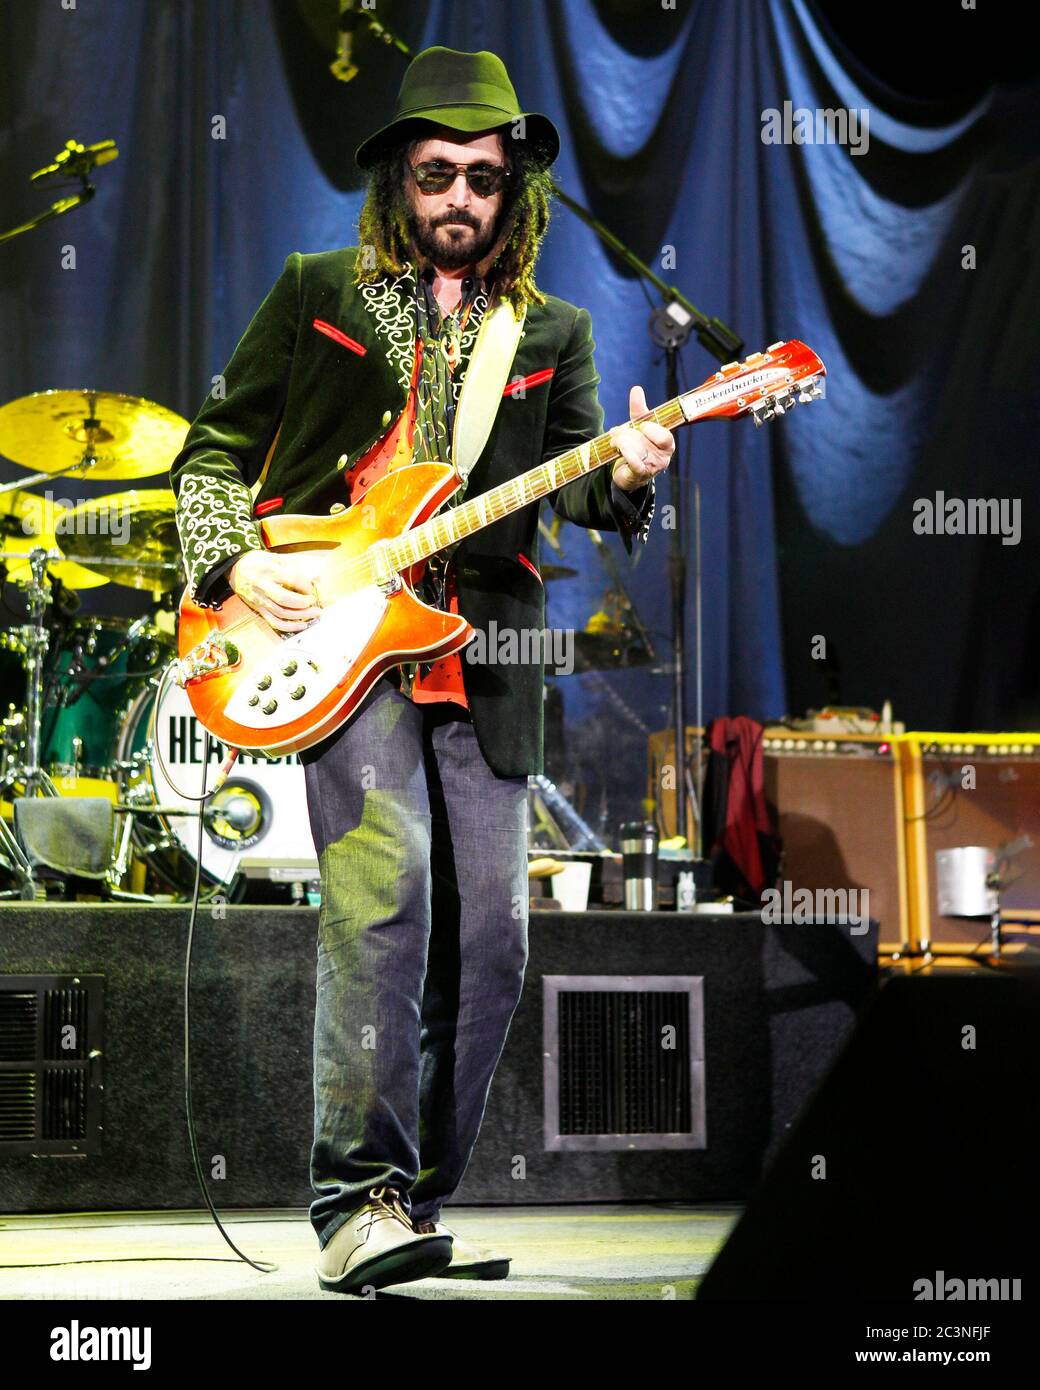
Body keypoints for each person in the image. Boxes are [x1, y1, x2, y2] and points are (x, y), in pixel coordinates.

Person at [171, 46, 674, 1295]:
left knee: (495, 944)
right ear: (399, 177)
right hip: (342, 647)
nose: (461, 198)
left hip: (480, 657)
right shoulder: (318, 287)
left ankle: (411, 1196)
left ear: (516, 194)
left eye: (485, 179)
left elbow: (596, 502)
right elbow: (207, 452)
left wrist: (626, 474)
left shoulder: (550, 332)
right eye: (438, 172)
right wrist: (237, 568)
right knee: (383, 904)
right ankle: (353, 1201)